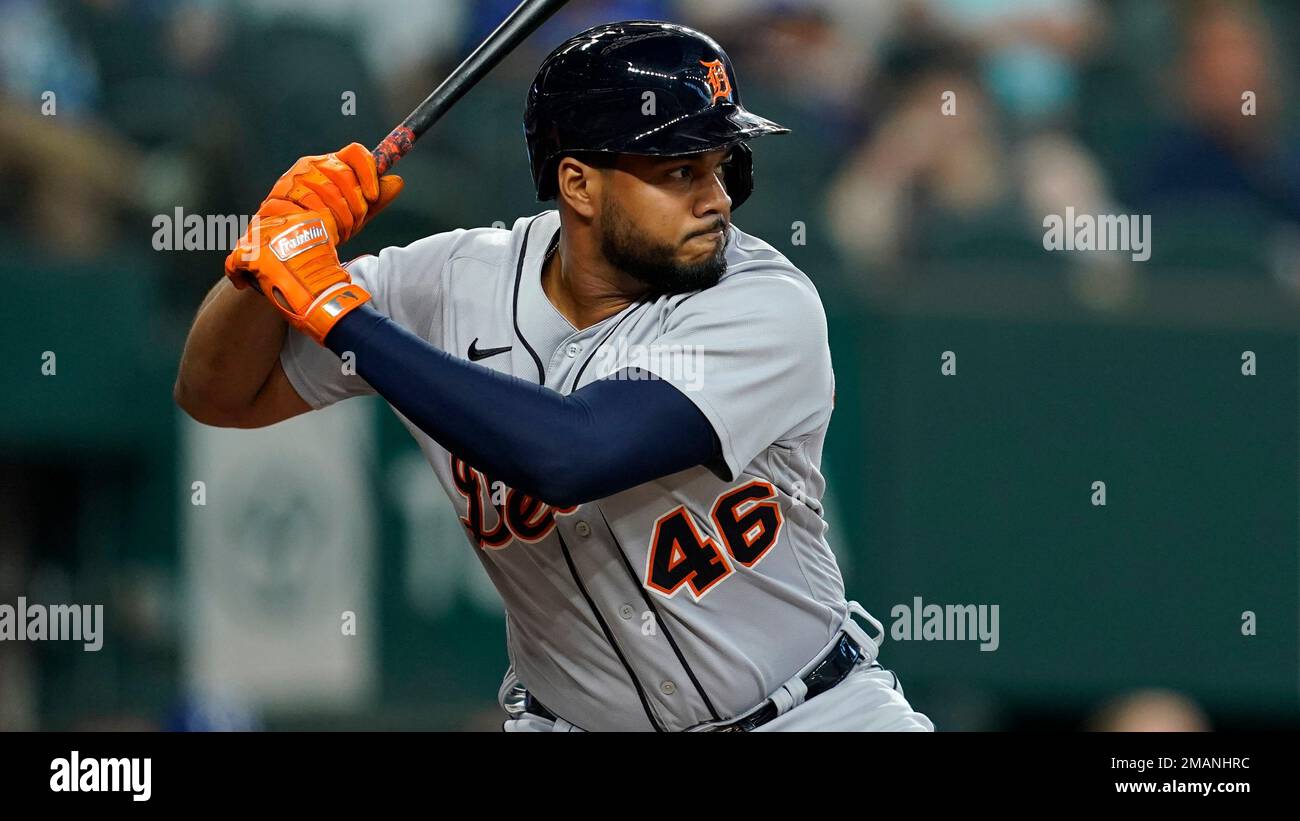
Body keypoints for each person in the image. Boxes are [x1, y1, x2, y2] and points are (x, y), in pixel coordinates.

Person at [174, 20, 933, 732]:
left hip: (807, 713)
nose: (718, 199)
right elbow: (217, 392)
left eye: (721, 165)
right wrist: (262, 266)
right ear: (578, 184)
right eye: (679, 170)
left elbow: (571, 454)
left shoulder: (764, 300)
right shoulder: (448, 282)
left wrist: (336, 308)